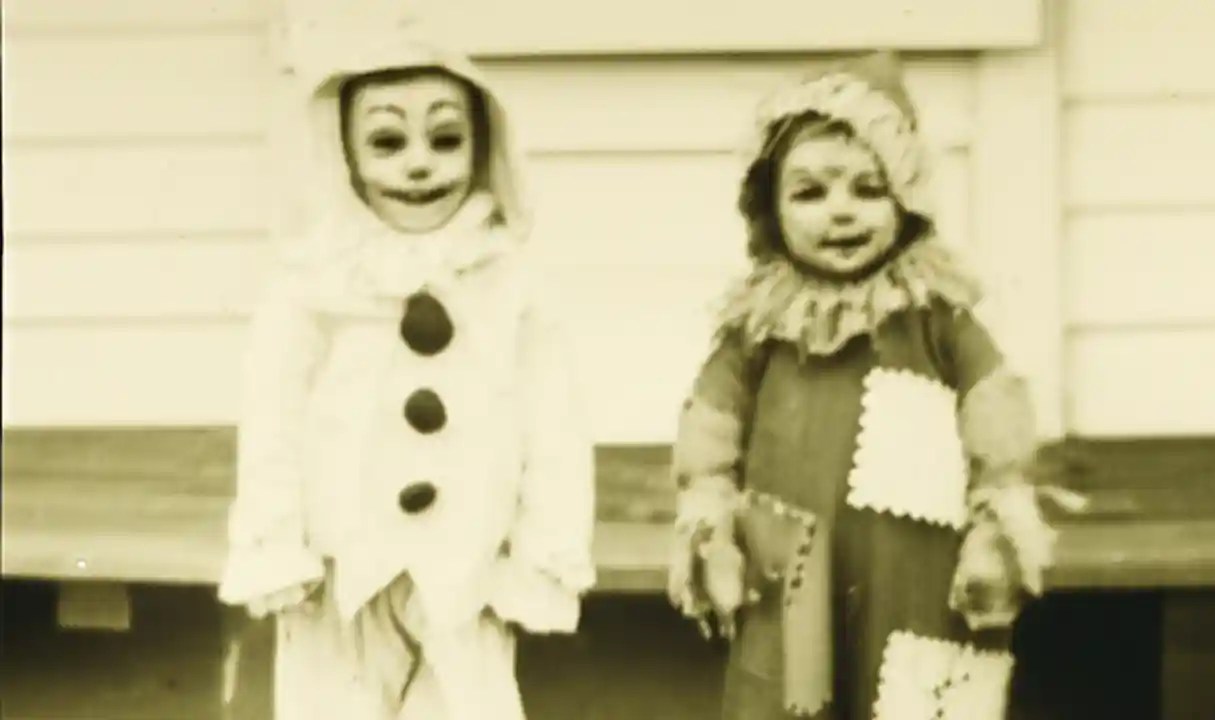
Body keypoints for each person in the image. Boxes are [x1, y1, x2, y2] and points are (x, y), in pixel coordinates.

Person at [667, 53, 1078, 719]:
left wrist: (996, 518)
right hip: (789, 565)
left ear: (908, 196)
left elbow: (994, 412)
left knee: (908, 693)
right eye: (810, 193)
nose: (842, 213)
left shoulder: (933, 314)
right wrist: (709, 519)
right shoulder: (760, 326)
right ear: (768, 205)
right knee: (791, 696)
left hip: (911, 568)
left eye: (868, 188)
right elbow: (710, 427)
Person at [216, 19, 595, 719]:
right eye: (388, 143)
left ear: (483, 151)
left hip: (466, 568)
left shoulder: (513, 284)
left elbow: (555, 430)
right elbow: (272, 418)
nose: (419, 165)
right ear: (347, 157)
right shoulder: (312, 282)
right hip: (337, 571)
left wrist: (543, 554)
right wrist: (276, 543)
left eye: (445, 139)